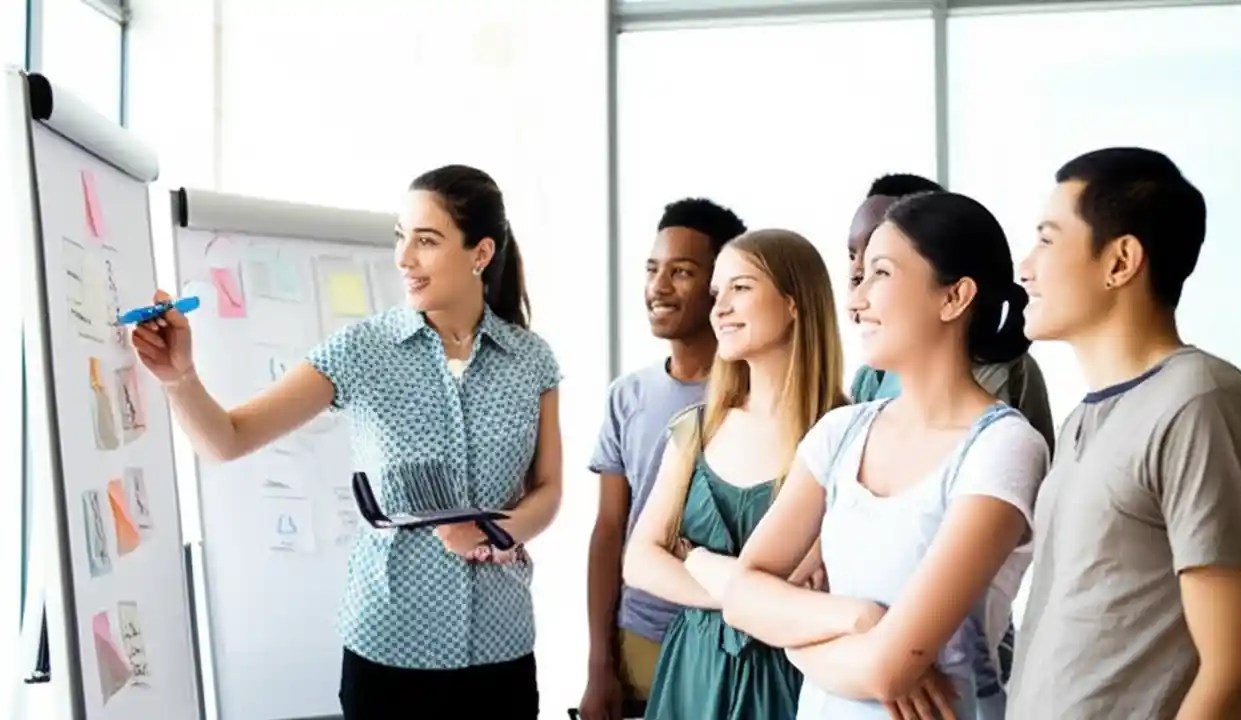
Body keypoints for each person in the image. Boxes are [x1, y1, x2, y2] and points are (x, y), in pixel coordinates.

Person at [130, 165, 562, 720]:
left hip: (502, 651)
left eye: (426, 241)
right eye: (400, 237)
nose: (404, 258)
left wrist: (496, 532)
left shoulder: (531, 361)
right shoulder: (362, 350)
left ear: (480, 253)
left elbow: (548, 489)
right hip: (391, 654)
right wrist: (179, 378)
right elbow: (228, 440)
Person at [723, 192, 1050, 720]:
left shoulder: (1004, 448)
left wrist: (792, 637)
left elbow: (888, 672)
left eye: (880, 273)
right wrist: (859, 619)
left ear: (954, 297)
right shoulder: (841, 432)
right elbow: (741, 595)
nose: (855, 301)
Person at [1008, 147, 1241, 719]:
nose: (1025, 268)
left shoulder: (1201, 402)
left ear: (1121, 261)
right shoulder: (1084, 418)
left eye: (1047, 240)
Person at [621, 229, 847, 720]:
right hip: (692, 672)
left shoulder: (847, 434)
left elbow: (813, 582)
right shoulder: (695, 429)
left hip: (794, 677)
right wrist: (752, 597)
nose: (718, 308)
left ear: (793, 303)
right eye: (716, 291)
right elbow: (638, 561)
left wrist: (695, 558)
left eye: (740, 288)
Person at [578, 197, 746, 720]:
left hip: (729, 637)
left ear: (721, 286)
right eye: (653, 269)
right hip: (641, 638)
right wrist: (599, 664)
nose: (659, 286)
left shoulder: (757, 397)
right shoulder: (627, 396)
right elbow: (610, 530)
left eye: (682, 272)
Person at [848, 174, 1055, 455]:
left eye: (882, 270)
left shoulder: (1001, 435)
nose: (857, 275)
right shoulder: (857, 402)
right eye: (853, 255)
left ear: (954, 296)